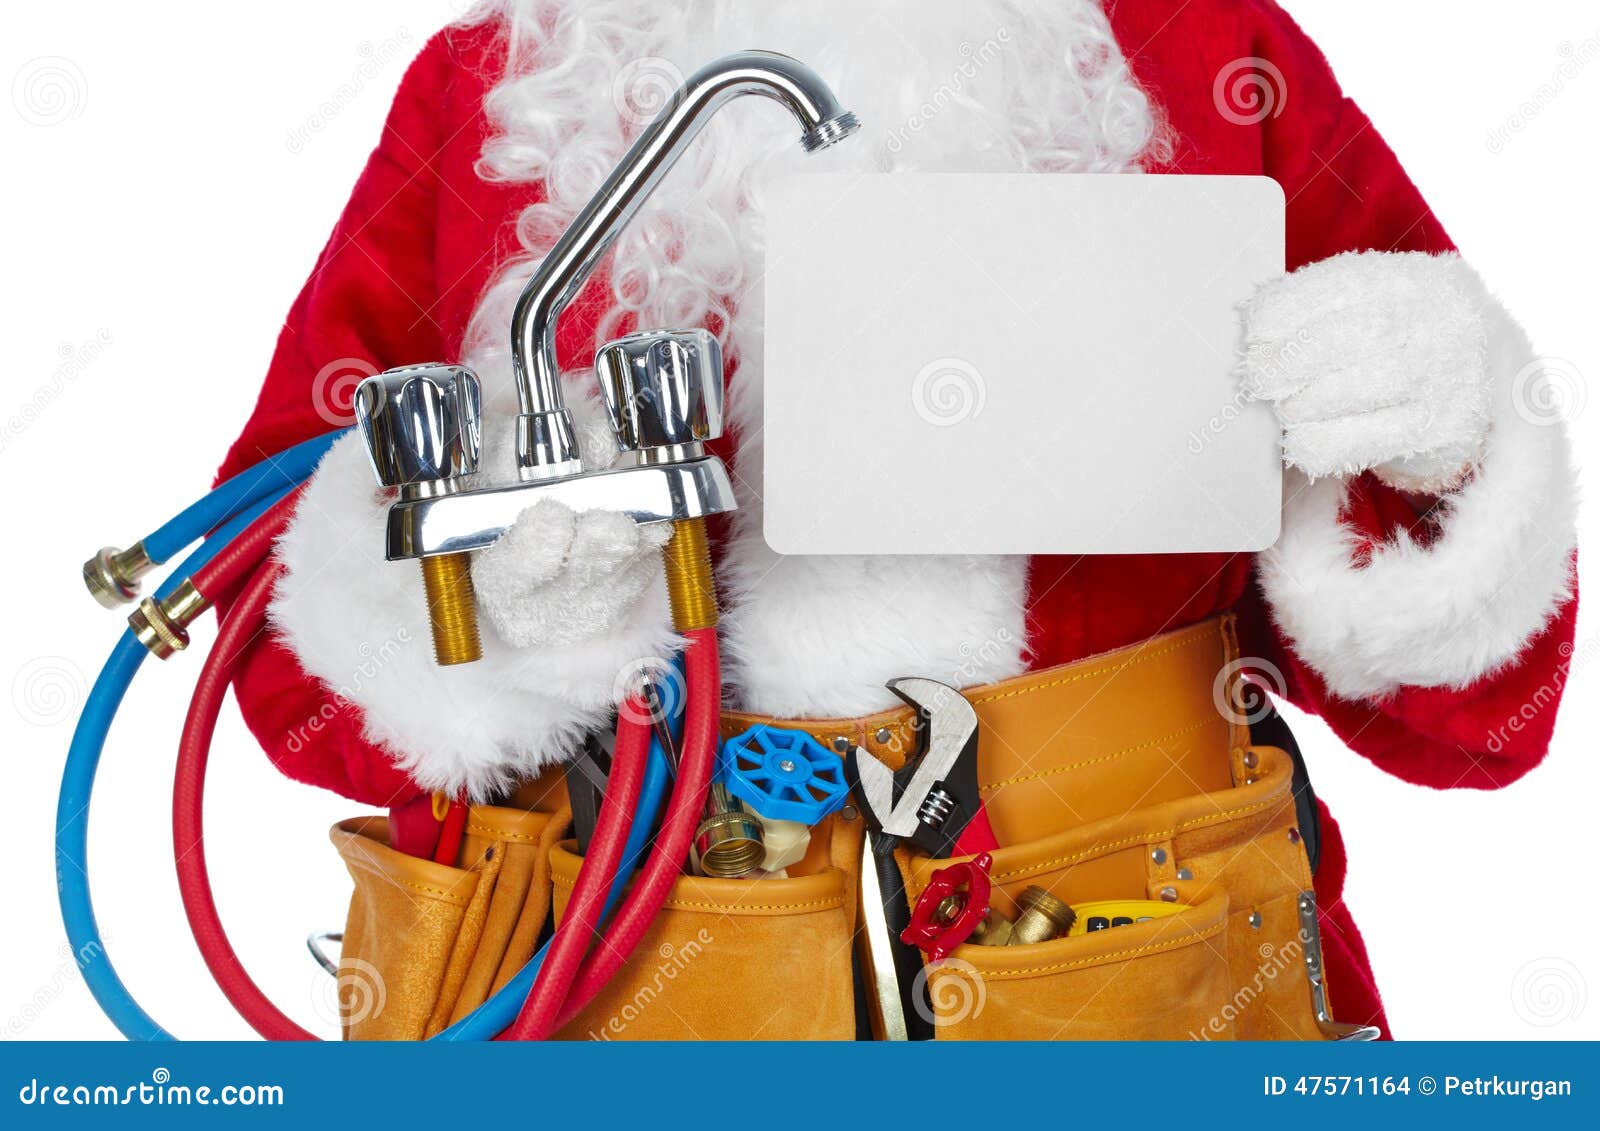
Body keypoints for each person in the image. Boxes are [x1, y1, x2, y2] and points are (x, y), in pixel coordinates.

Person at [218, 0, 1578, 1038]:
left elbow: (1475, 718)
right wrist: (497, 616)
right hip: (614, 981)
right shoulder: (498, 85)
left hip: (1148, 973)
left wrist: (1442, 432)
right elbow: (277, 664)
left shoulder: (1213, 46)